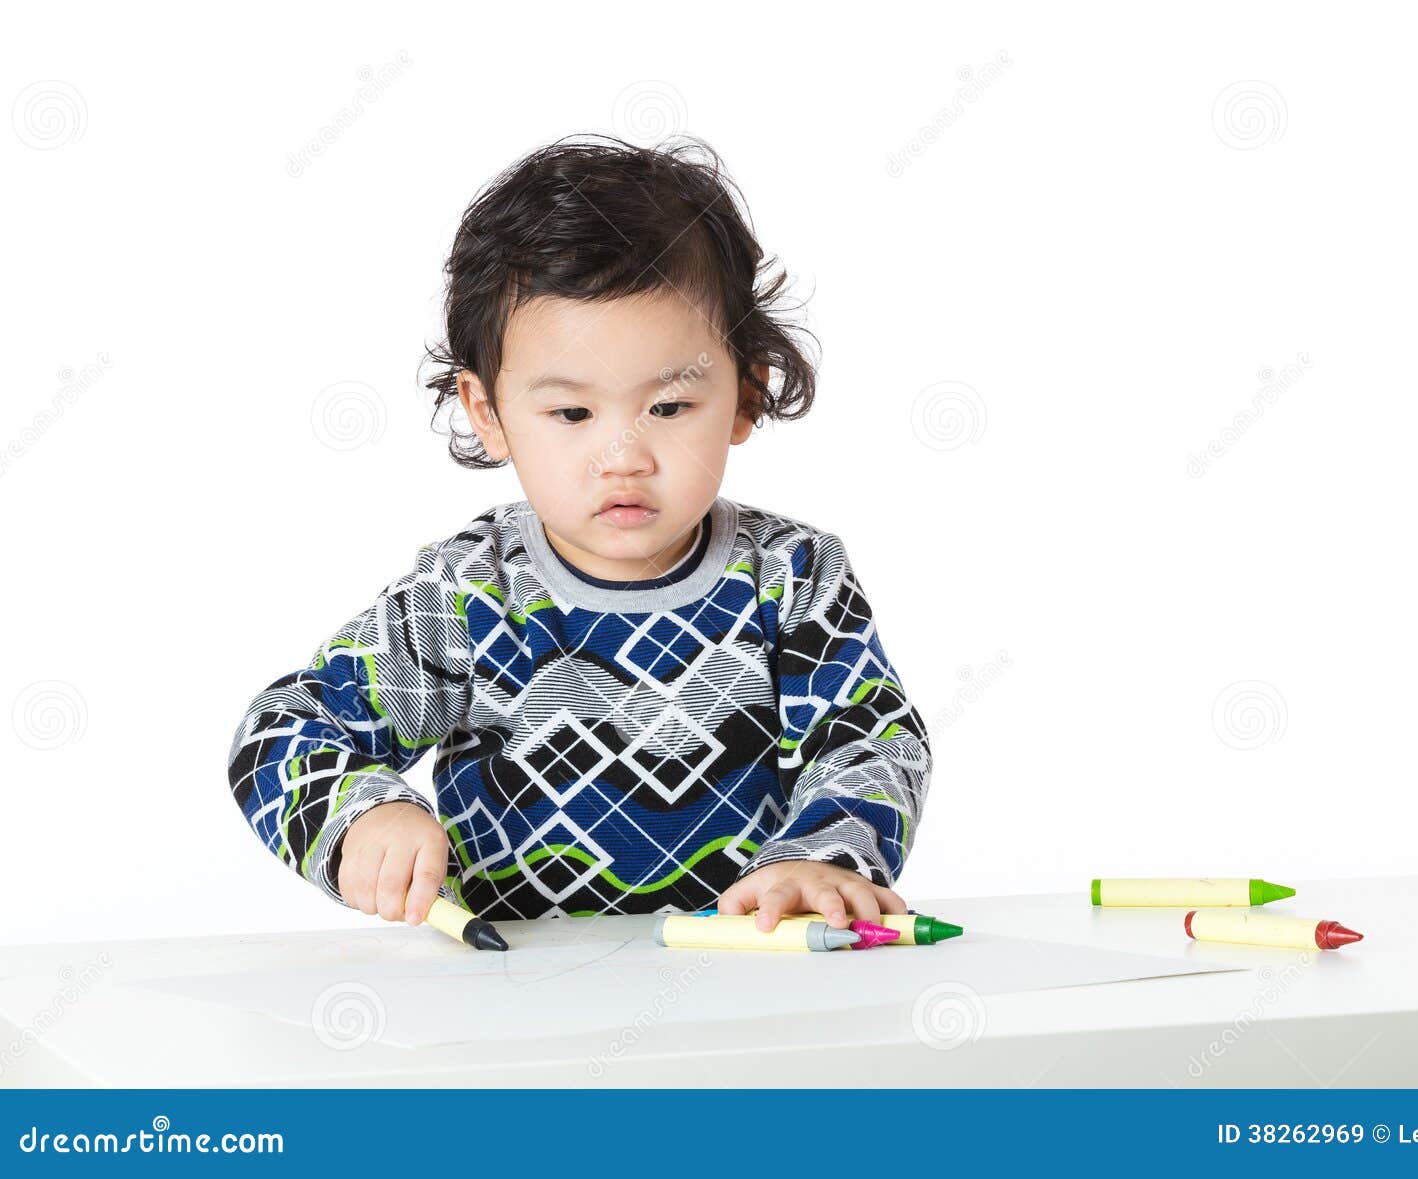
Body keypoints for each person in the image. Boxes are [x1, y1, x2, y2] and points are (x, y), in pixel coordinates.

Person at [226, 134, 931, 936]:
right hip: (517, 1009)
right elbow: (284, 728)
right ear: (487, 412)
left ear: (745, 393)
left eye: (669, 407)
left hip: (750, 985)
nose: (623, 457)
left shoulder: (793, 577)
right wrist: (362, 816)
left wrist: (825, 856)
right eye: (571, 413)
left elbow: (872, 740)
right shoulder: (469, 594)